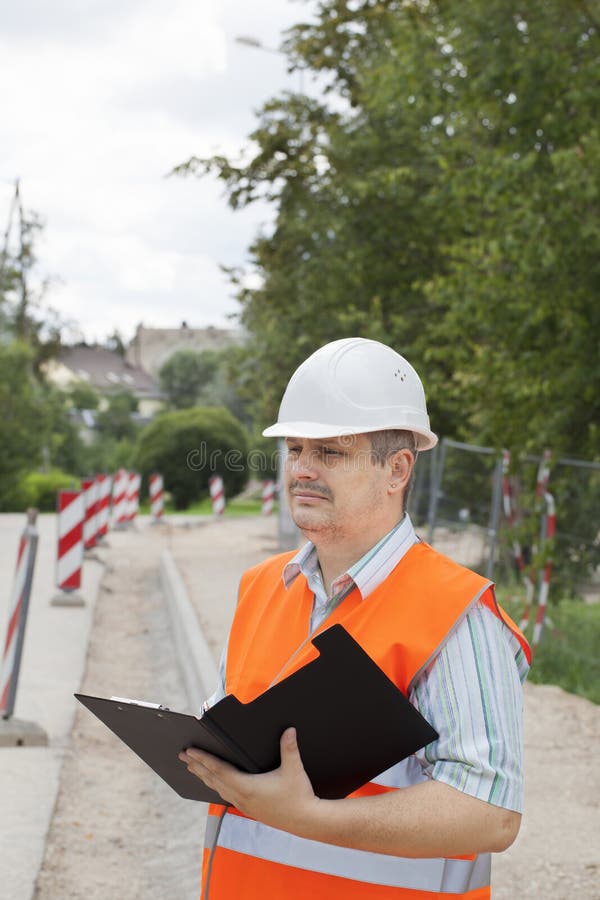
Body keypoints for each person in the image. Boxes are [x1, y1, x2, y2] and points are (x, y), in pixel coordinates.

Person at [179, 337, 531, 900]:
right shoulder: (262, 587)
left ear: (396, 470)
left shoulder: (458, 614)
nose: (303, 470)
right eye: (296, 449)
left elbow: (489, 813)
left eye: (331, 453)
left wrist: (308, 817)